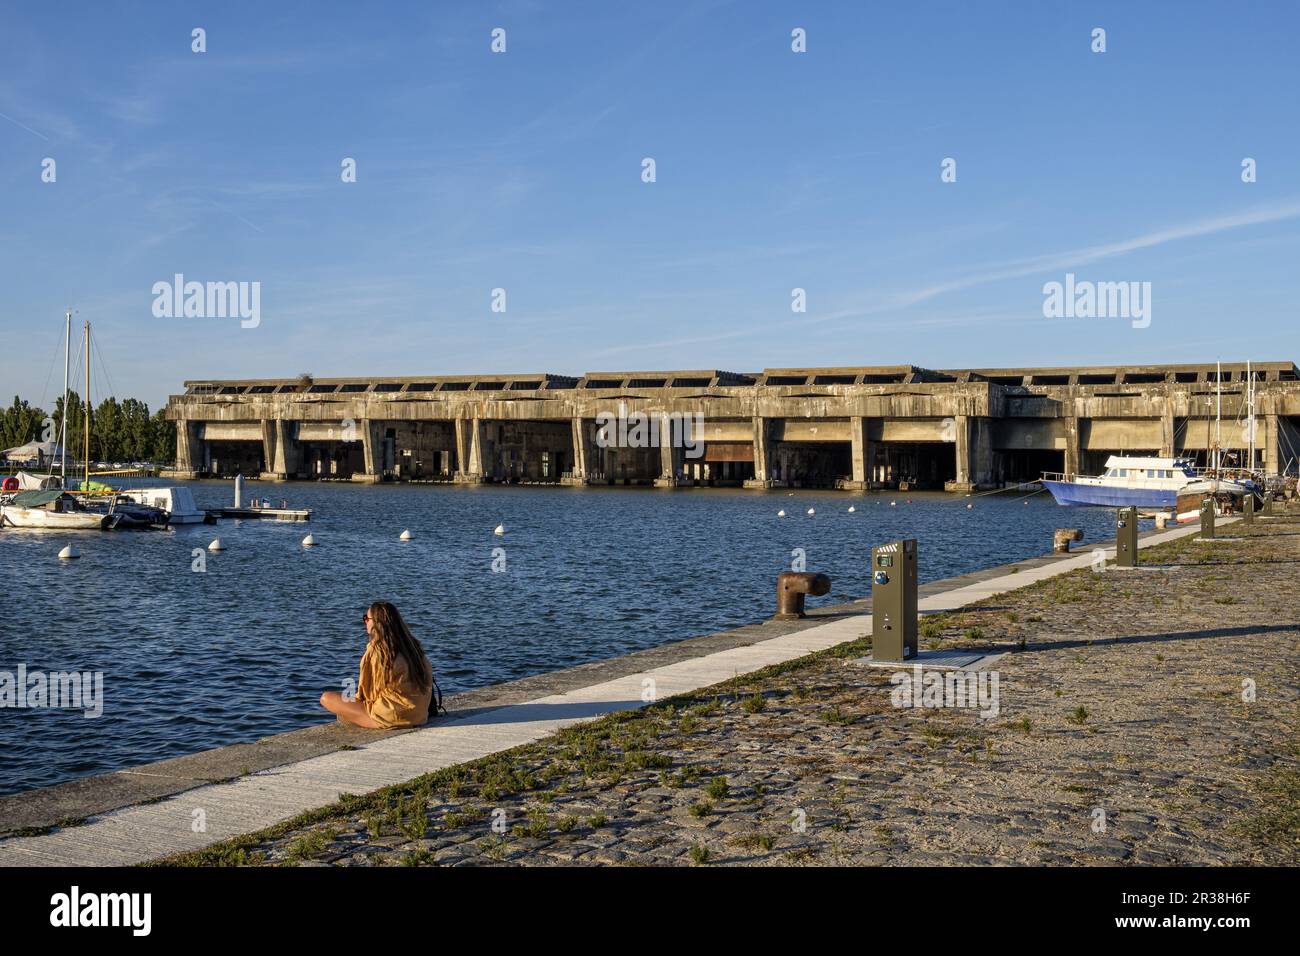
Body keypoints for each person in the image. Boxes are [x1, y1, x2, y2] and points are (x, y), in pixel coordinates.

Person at [319, 602, 433, 729]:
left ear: (378, 623)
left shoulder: (378, 651)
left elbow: (369, 694)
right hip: (419, 715)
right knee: (346, 706)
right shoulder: (413, 648)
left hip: (391, 716)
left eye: (366, 619)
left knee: (327, 698)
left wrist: (350, 706)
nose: (365, 622)